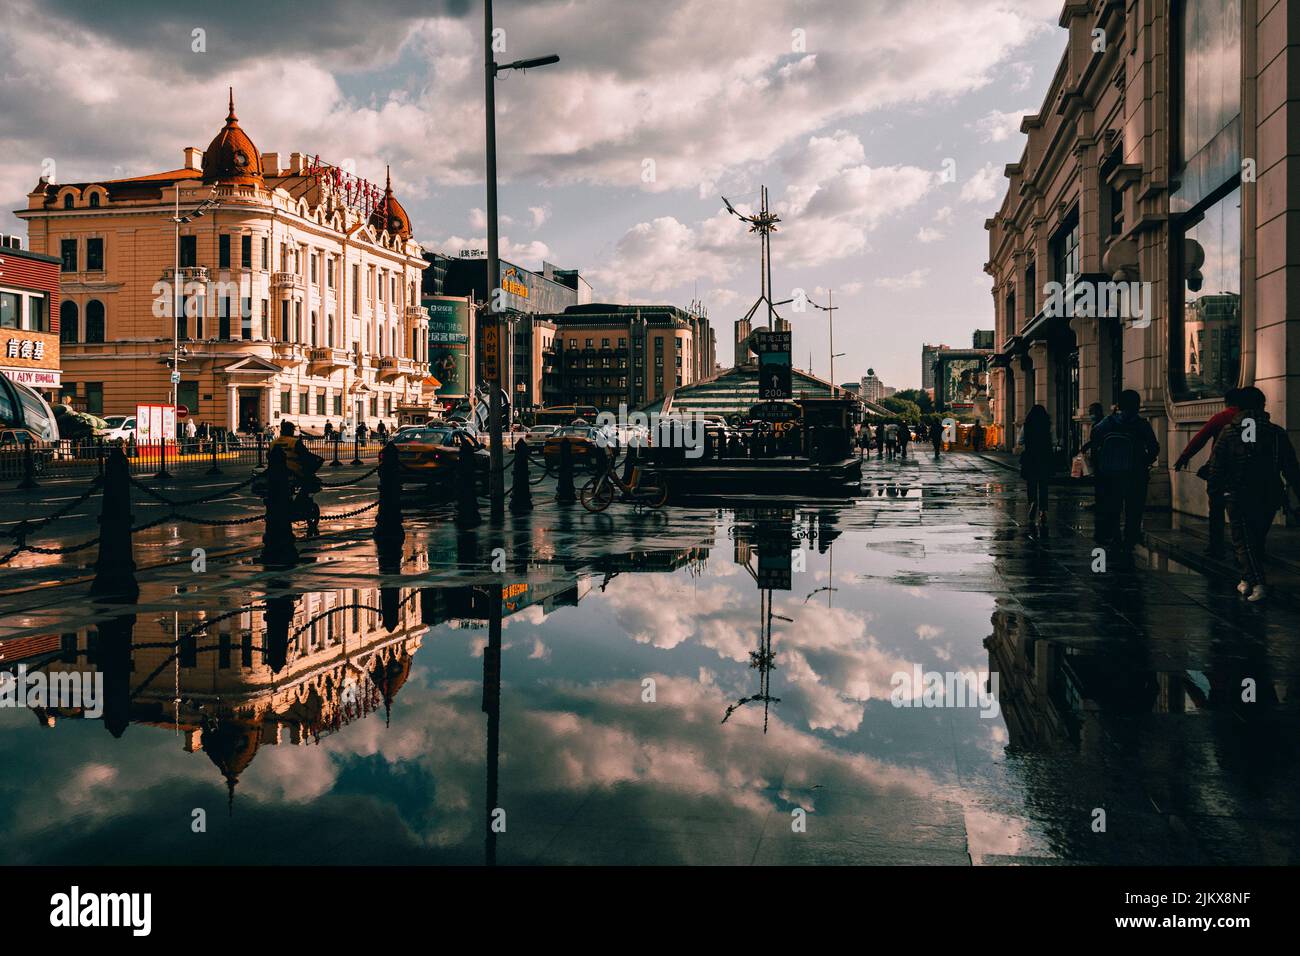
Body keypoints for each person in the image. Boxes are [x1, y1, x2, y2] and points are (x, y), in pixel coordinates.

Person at [1208, 387, 1300, 602]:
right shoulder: (1276, 433)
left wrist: (1215, 492)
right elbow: (1291, 468)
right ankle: (1247, 579)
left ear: (1237, 407)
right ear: (1263, 405)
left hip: (1238, 493)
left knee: (1244, 541)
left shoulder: (1230, 431)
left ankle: (1258, 582)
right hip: (1269, 494)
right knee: (1255, 540)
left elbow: (1216, 466)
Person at [1173, 387, 1244, 559]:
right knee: (1242, 512)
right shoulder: (1250, 420)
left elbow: (1200, 439)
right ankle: (1243, 549)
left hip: (1220, 470)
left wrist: (1184, 457)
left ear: (1226, 401)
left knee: (1216, 510)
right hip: (1244, 471)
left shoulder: (1221, 418)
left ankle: (1216, 546)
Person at [1090, 389, 1160, 551]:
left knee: (1113, 506)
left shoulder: (1109, 422)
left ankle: (1115, 537)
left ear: (1119, 405)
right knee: (1134, 509)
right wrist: (1145, 461)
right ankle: (1130, 538)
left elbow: (1095, 435)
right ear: (1137, 406)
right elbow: (1153, 447)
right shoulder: (1141, 425)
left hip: (1111, 474)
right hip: (1135, 474)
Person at [1019, 404, 1054, 535]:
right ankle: (1043, 510)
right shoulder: (1048, 425)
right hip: (1045, 456)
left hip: (1031, 457)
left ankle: (1033, 501)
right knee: (1044, 484)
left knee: (1031, 482)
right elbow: (1053, 440)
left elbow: (1020, 441)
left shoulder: (1026, 425)